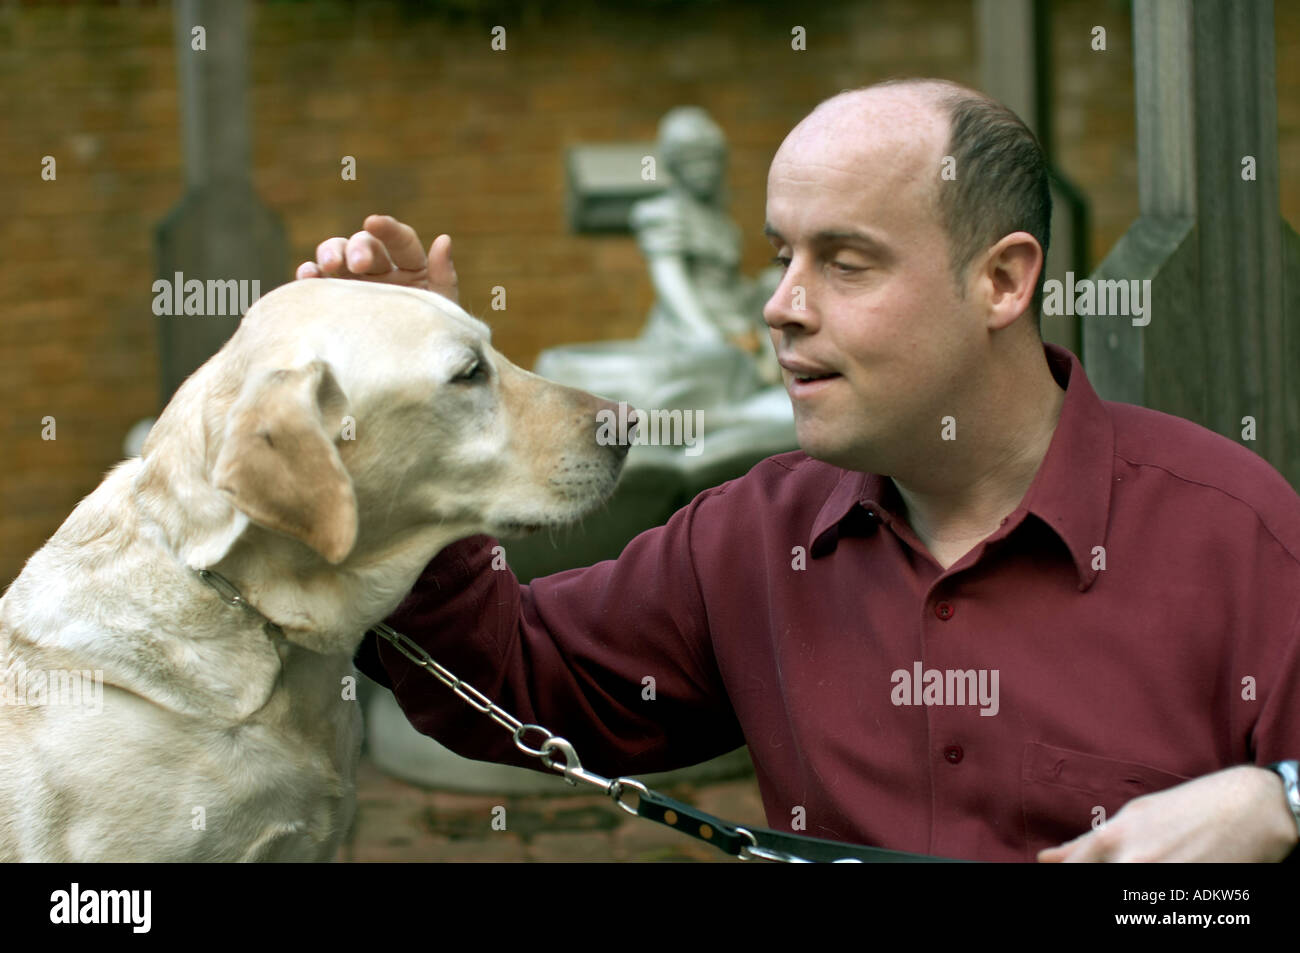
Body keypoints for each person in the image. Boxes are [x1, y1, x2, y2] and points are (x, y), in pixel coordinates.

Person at [297, 78, 1300, 862]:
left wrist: (1281, 795)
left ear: (1000, 279)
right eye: (779, 255)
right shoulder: (749, 536)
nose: (779, 305)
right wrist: (415, 416)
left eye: (843, 262)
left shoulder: (1238, 536)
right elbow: (512, 679)